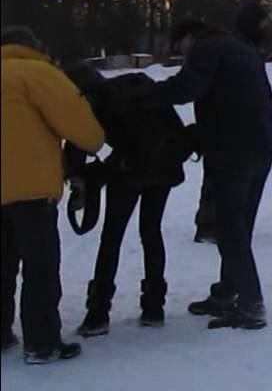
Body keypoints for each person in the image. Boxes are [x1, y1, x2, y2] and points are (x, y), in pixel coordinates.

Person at [138, 18, 272, 330]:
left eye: (180, 47)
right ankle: (227, 293)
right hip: (260, 147)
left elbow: (188, 87)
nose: (183, 55)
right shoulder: (240, 49)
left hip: (233, 152)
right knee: (240, 226)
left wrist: (146, 95)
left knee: (229, 228)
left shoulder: (208, 48)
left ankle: (252, 305)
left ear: (188, 37)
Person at [61, 63, 195, 336]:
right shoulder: (139, 87)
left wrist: (80, 177)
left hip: (129, 171)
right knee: (151, 231)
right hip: (165, 167)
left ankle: (98, 312)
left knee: (112, 236)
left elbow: (77, 148)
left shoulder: (94, 103)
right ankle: (154, 307)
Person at [1, 26, 106, 364]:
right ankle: (41, 342)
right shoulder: (39, 74)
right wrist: (93, 142)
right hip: (30, 189)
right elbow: (83, 130)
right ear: (32, 46)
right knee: (40, 267)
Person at [192, 2, 271, 245]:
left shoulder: (245, 52)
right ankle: (209, 226)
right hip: (232, 139)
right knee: (220, 187)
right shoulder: (236, 52)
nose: (265, 29)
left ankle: (217, 231)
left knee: (228, 192)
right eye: (262, 24)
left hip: (236, 139)